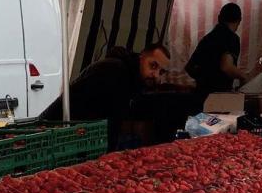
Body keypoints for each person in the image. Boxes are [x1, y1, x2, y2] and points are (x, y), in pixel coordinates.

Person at [41, 43, 170, 151]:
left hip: (72, 135)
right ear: (141, 57)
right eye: (153, 65)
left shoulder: (133, 79)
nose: (156, 75)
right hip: (55, 134)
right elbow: (108, 121)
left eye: (161, 72)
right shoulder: (116, 71)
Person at [186, 2, 250, 99]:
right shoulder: (231, 38)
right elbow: (226, 66)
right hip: (218, 98)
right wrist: (243, 76)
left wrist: (204, 79)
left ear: (219, 18)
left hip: (200, 96)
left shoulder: (207, 38)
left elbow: (190, 68)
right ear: (239, 20)